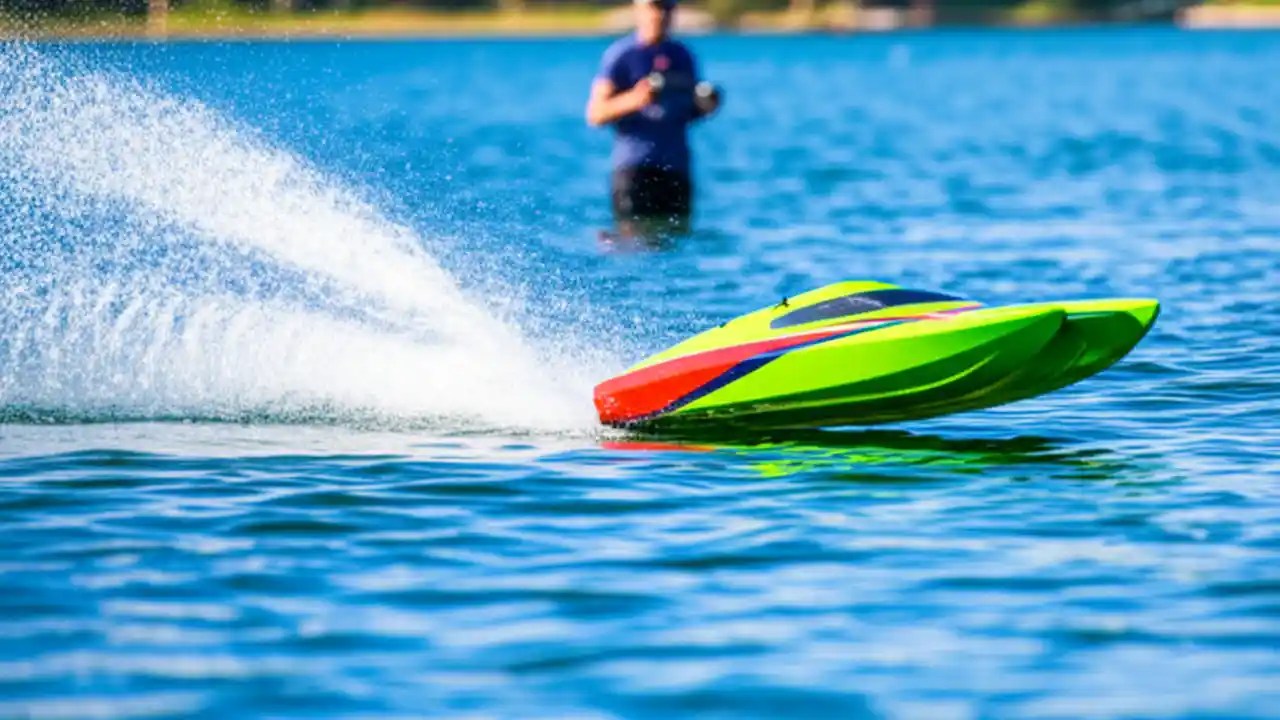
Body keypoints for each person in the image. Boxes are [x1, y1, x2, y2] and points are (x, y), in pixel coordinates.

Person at [586, 0, 721, 235]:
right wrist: (635, 99)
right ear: (638, 9)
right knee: (633, 243)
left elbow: (687, 111)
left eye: (667, 8)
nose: (660, 15)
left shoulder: (682, 56)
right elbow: (595, 114)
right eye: (654, 6)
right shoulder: (620, 56)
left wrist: (707, 106)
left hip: (676, 168)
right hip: (635, 168)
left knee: (677, 243)